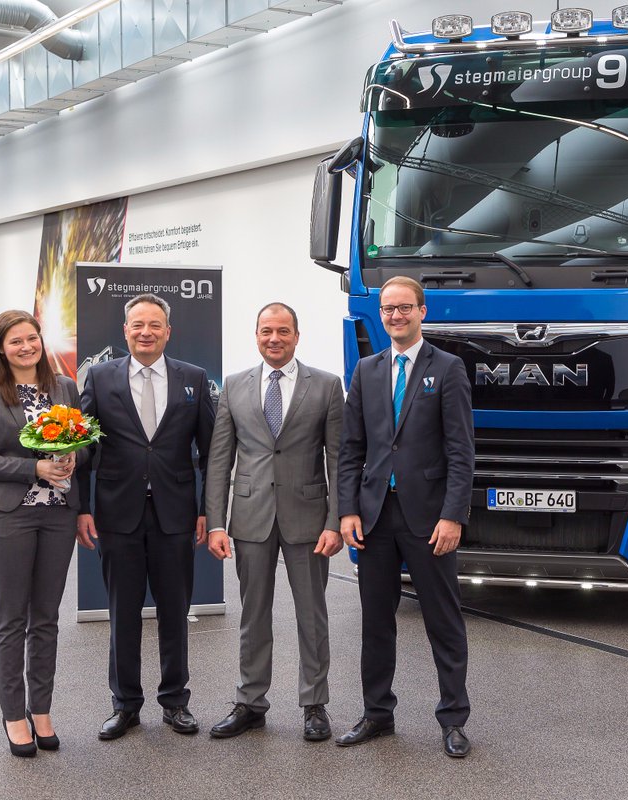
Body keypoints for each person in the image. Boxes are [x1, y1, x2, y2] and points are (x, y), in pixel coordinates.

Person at [336, 275, 476, 758]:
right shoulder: (367, 370)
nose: (395, 316)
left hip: (429, 519)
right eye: (388, 309)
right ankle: (377, 713)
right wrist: (348, 510)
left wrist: (453, 515)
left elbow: (461, 451)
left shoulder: (449, 368)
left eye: (404, 308)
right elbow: (352, 449)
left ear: (422, 312)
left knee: (443, 621)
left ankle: (453, 720)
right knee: (376, 622)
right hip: (374, 517)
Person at [75, 293, 215, 740]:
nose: (146, 332)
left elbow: (211, 452)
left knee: (175, 611)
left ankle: (175, 702)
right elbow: (81, 449)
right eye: (138, 325)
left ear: (168, 331)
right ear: (125, 330)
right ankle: (125, 705)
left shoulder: (194, 379)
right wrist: (81, 508)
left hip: (176, 515)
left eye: (155, 325)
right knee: (123, 613)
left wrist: (208, 511)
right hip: (118, 514)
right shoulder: (99, 378)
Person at [204, 302, 345, 740]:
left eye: (283, 331)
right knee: (253, 615)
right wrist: (216, 522)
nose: (274, 339)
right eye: (267, 331)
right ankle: (250, 702)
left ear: (297, 336)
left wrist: (335, 521)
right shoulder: (234, 386)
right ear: (256, 335)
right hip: (251, 518)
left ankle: (314, 705)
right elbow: (219, 460)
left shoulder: (326, 386)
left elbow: (338, 461)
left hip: (309, 520)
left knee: (312, 616)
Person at [0, 310, 83, 757]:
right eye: (15, 341)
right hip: (8, 518)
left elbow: (85, 447)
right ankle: (14, 715)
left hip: (58, 516)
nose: (26, 347)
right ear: (1, 348)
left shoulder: (64, 387)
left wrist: (75, 458)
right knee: (12, 619)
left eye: (31, 338)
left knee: (46, 618)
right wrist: (34, 468)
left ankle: (42, 711)